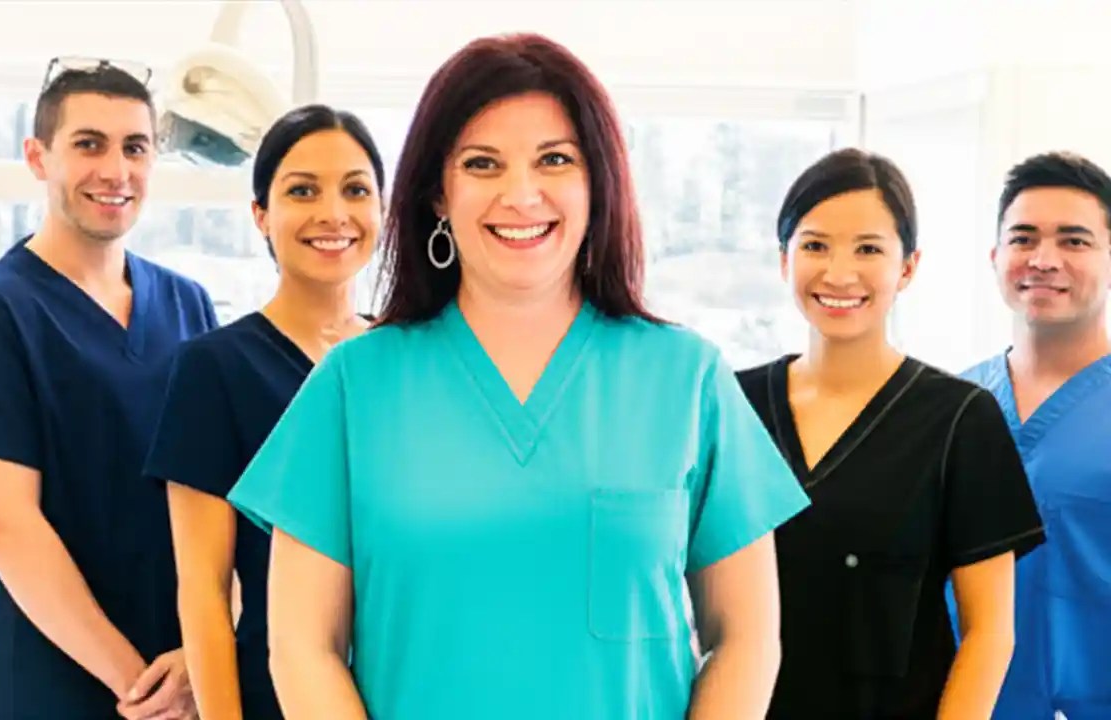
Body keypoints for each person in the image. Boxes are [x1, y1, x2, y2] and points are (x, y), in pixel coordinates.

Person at [226, 33, 810, 720]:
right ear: (437, 194)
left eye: (555, 160)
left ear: (599, 183)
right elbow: (300, 646)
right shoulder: (353, 386)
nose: (521, 194)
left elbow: (746, 638)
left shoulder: (687, 380)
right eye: (482, 164)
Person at [0, 59, 216, 720]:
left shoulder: (187, 305)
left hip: (189, 677)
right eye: (89, 144)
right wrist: (143, 689)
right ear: (38, 157)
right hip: (63, 685)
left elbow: (218, 502)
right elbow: (7, 527)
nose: (115, 171)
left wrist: (205, 654)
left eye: (135, 148)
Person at [735, 148, 1046, 719]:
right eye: (814, 245)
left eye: (869, 249)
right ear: (784, 260)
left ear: (908, 267)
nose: (839, 272)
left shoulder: (959, 419)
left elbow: (990, 634)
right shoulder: (733, 407)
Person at [142, 103, 385, 720]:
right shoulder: (215, 368)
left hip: (406, 684)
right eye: (302, 191)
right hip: (275, 693)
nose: (333, 213)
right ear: (261, 215)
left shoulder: (406, 360)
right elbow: (203, 589)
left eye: (355, 190)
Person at [961, 151, 1111, 720]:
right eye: (1023, 238)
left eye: (1074, 241)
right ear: (996, 256)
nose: (1043, 259)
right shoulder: (949, 407)